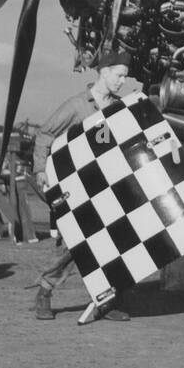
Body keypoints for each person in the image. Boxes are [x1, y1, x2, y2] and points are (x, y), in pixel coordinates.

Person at [30, 49, 134, 324]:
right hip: (75, 187)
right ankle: (44, 292)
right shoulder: (77, 106)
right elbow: (45, 135)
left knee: (110, 244)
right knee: (72, 247)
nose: (122, 81)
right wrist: (41, 169)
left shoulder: (118, 106)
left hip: (107, 188)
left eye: (125, 77)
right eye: (119, 76)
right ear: (104, 71)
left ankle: (107, 301)